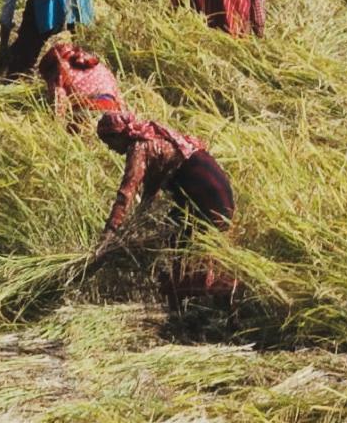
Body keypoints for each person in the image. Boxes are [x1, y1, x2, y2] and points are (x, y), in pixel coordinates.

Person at [92, 109, 238, 313]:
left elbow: (126, 192)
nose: (110, 149)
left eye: (109, 142)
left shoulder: (139, 147)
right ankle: (208, 313)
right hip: (214, 192)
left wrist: (108, 235)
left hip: (206, 195)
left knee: (180, 252)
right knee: (181, 250)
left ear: (119, 135)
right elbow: (148, 195)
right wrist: (131, 228)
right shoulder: (155, 137)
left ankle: (227, 290)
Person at [37, 38, 124, 124]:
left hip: (88, 109)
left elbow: (59, 101)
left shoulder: (60, 71)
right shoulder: (98, 65)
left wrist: (57, 125)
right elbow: (118, 95)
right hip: (111, 108)